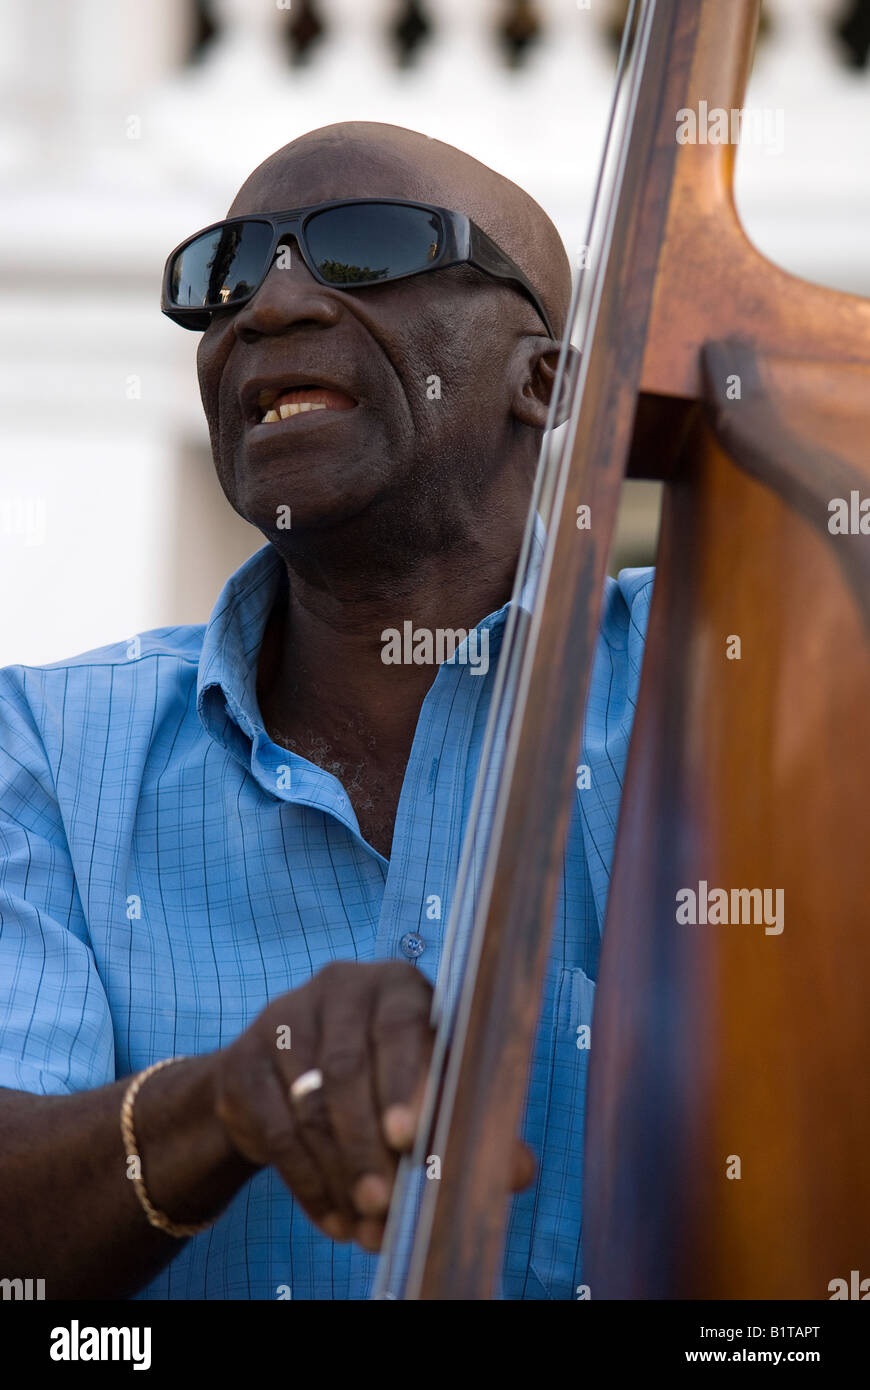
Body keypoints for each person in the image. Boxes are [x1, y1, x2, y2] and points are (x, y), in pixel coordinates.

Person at [0, 122, 652, 1300]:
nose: (269, 305)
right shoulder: (45, 748)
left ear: (543, 378)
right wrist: (227, 1099)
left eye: (363, 253)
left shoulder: (711, 676)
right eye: (226, 272)